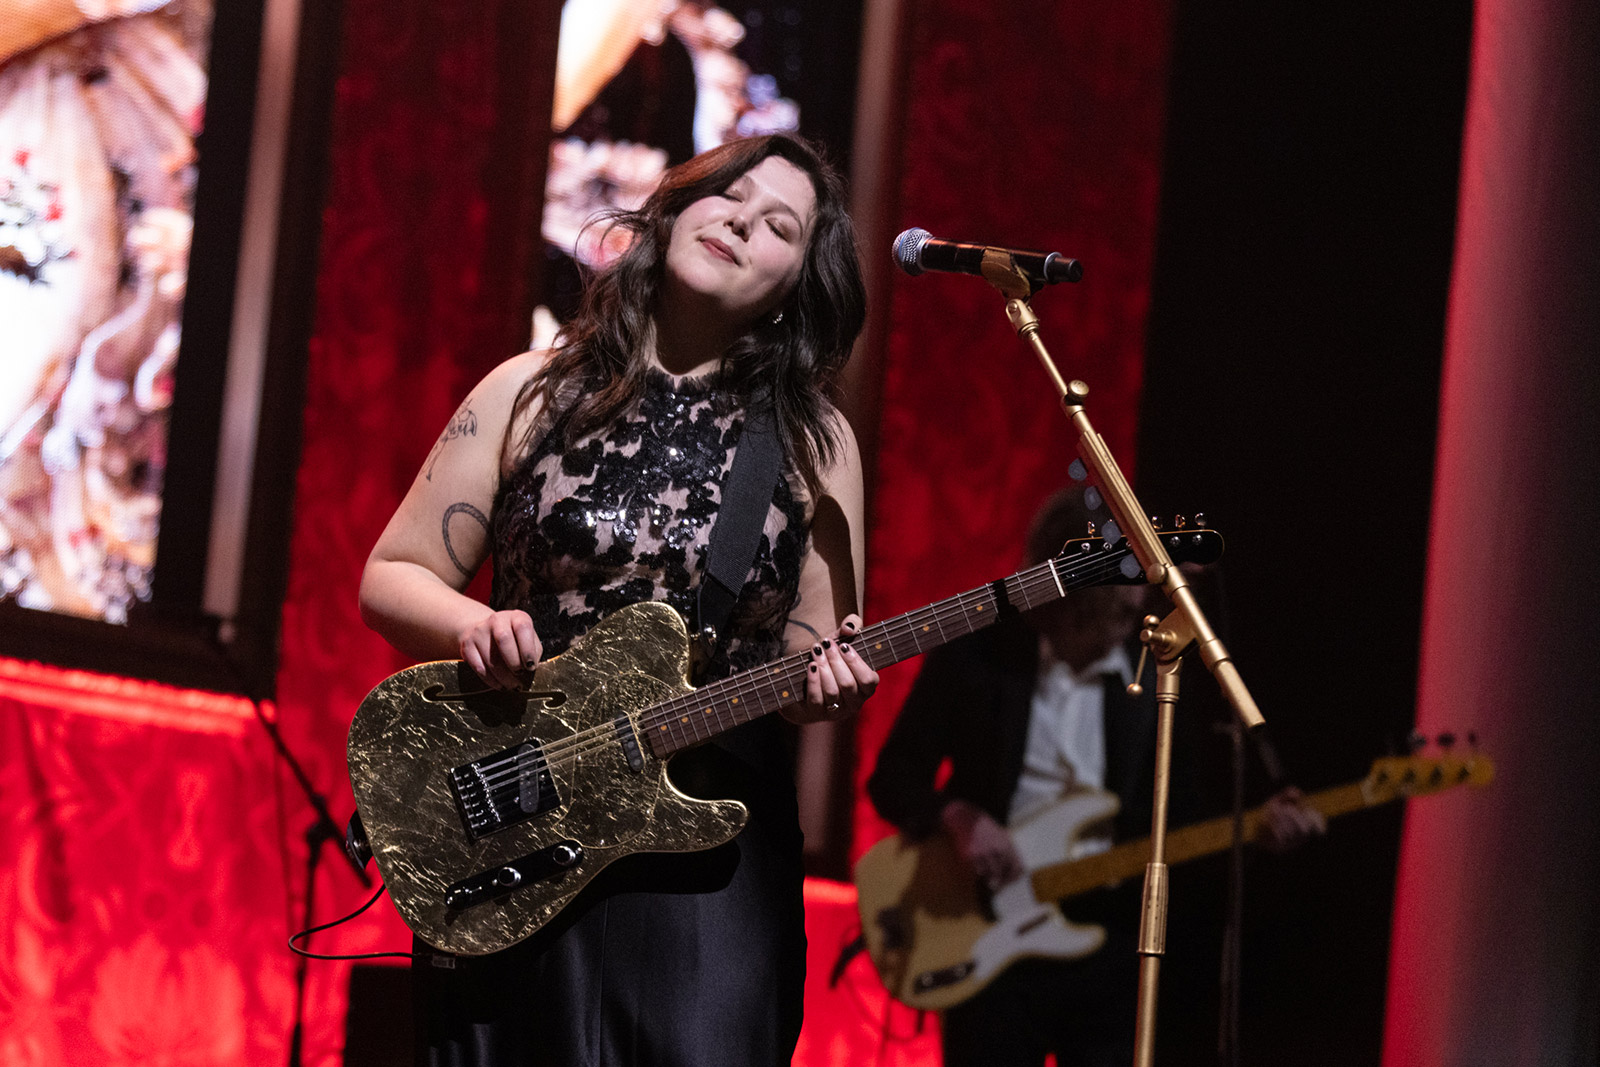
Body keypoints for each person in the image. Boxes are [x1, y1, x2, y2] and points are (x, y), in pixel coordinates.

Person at [358, 133, 879, 1067]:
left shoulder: (814, 442)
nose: (740, 223)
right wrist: (475, 624)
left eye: (779, 226)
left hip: (708, 859)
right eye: (730, 195)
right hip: (518, 817)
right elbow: (390, 576)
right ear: (677, 207)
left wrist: (826, 687)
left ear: (799, 281)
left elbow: (811, 659)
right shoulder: (527, 389)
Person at [867, 489, 1323, 1067]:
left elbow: (1176, 816)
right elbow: (892, 778)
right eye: (1100, 615)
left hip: (1106, 951)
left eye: (1125, 614)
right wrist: (960, 818)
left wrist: (1254, 829)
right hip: (988, 945)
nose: (1123, 626)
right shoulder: (976, 658)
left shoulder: (1154, 680)